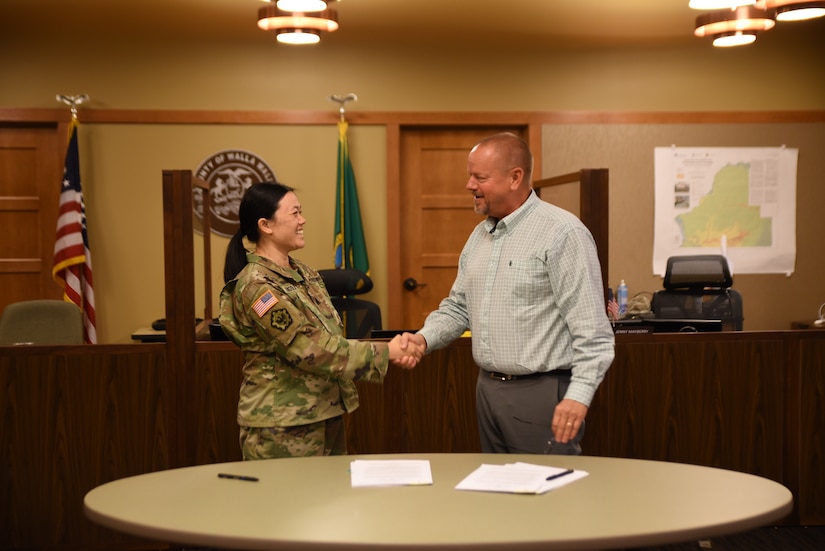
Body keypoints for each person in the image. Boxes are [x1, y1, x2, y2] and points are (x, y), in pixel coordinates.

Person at [408, 132, 614, 455]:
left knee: (546, 499)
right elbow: (458, 308)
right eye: (469, 175)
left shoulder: (562, 234)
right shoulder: (479, 236)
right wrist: (422, 339)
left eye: (480, 177)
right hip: (487, 392)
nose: (469, 185)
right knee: (499, 499)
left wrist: (578, 396)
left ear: (515, 177)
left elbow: (595, 333)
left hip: (542, 394)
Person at [219, 181, 420, 460]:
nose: (303, 220)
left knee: (330, 500)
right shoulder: (257, 287)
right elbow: (309, 348)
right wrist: (388, 351)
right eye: (294, 213)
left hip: (325, 412)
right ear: (266, 225)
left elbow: (330, 338)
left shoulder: (304, 273)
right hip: (283, 425)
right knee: (290, 503)